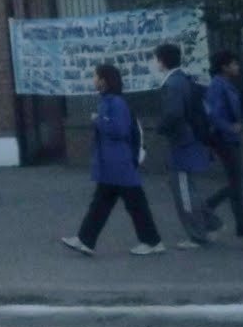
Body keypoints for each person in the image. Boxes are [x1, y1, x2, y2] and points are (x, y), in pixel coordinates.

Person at [59, 64, 164, 257]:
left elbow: (120, 130)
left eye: (95, 76)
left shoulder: (115, 103)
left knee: (131, 203)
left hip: (119, 162)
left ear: (104, 81)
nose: (93, 80)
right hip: (115, 163)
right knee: (103, 202)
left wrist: (98, 120)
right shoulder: (111, 101)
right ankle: (86, 240)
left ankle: (152, 241)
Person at [154, 42, 217, 248]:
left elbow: (173, 113)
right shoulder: (184, 79)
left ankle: (198, 233)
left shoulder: (172, 84)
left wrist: (160, 127)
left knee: (183, 189)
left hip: (181, 142)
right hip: (190, 139)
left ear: (161, 61)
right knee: (186, 186)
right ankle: (209, 222)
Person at [203, 49, 243, 236]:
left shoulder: (225, 83)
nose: (237, 66)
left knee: (235, 181)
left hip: (228, 137)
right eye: (234, 63)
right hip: (224, 138)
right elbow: (213, 114)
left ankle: (242, 224)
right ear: (224, 67)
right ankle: (208, 206)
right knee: (235, 182)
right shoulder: (218, 85)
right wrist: (230, 127)